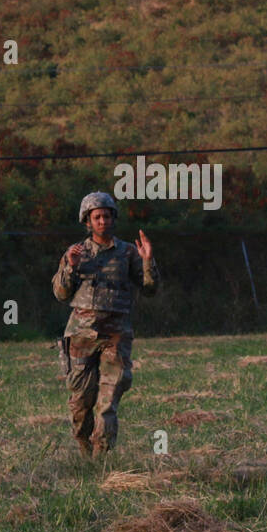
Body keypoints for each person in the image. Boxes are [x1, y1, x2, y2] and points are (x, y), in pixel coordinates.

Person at [51, 192, 160, 456]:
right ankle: (84, 447)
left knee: (108, 400)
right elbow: (61, 294)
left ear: (113, 218)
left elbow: (149, 289)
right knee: (81, 399)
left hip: (116, 335)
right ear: (87, 221)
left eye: (107, 216)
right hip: (81, 335)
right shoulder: (76, 253)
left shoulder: (128, 252)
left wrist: (147, 260)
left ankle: (102, 457)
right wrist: (70, 267)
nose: (102, 221)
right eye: (97, 217)